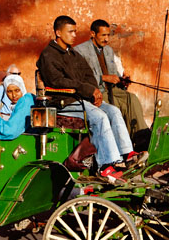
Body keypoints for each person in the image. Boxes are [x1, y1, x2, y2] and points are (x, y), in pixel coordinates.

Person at [36, 15, 146, 181]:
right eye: (71, 32)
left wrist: (94, 91)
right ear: (58, 33)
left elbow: (89, 75)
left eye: (75, 31)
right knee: (99, 117)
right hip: (64, 102)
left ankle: (127, 154)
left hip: (82, 98)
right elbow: (57, 81)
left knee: (113, 111)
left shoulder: (72, 54)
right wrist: (87, 90)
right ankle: (107, 165)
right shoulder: (48, 55)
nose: (74, 35)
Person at [75, 19, 148, 137]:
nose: (106, 39)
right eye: (103, 35)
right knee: (113, 106)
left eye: (108, 35)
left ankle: (141, 137)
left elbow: (114, 73)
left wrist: (122, 80)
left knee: (131, 99)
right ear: (93, 34)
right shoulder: (80, 51)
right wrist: (103, 78)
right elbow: (79, 77)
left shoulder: (108, 50)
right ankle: (123, 143)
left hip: (112, 89)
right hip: (96, 90)